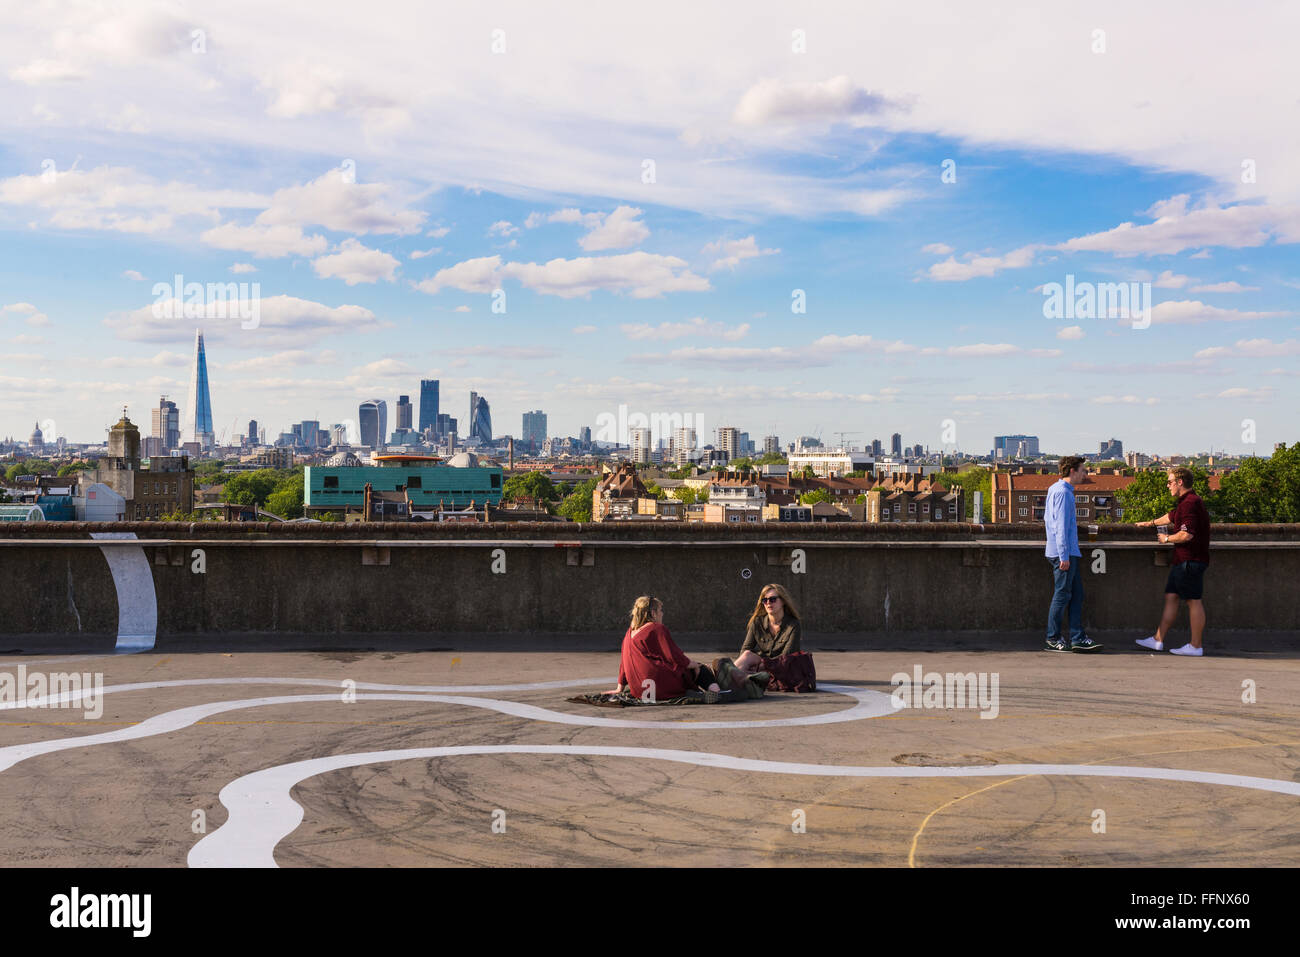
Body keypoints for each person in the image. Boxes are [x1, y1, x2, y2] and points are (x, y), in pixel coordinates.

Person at [1134, 467, 1210, 656]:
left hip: (1190, 561)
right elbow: (1171, 517)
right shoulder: (1187, 502)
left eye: (1170, 482)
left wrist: (1166, 539)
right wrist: (1149, 523)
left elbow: (1186, 534)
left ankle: (1195, 646)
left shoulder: (1190, 503)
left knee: (1193, 601)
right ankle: (1158, 640)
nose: (1167, 485)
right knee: (1172, 597)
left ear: (1180, 482)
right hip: (1183, 561)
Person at [1044, 456, 1103, 653]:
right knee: (1062, 596)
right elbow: (1060, 527)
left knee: (1077, 595)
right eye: (1083, 470)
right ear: (1072, 471)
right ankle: (1052, 638)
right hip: (1065, 553)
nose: (1085, 474)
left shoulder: (1056, 489)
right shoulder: (1063, 493)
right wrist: (1063, 556)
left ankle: (1078, 638)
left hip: (1068, 551)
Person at [610, 596, 721, 699]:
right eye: (660, 610)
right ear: (653, 613)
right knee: (700, 669)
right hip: (660, 687)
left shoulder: (629, 634)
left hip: (640, 691)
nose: (662, 614)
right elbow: (674, 656)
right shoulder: (657, 628)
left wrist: (619, 688)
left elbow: (624, 663)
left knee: (687, 667)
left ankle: (700, 691)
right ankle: (717, 693)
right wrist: (696, 665)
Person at [738, 583, 801, 665]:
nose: (768, 603)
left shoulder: (793, 625)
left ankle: (731, 673)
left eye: (772, 599)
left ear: (783, 601)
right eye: (764, 600)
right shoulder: (757, 623)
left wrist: (761, 666)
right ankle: (730, 672)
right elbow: (745, 650)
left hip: (783, 669)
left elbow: (786, 657)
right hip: (762, 667)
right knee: (746, 655)